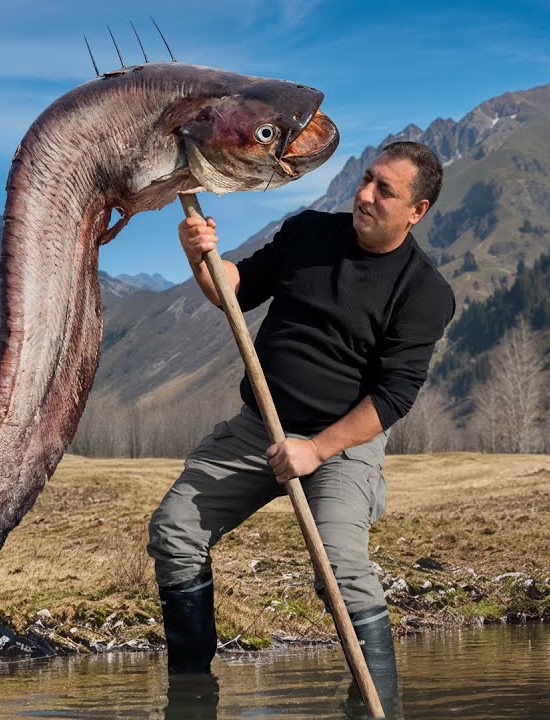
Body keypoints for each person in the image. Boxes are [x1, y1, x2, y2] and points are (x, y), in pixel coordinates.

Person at [147, 141, 456, 702]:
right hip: (258, 428)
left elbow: (394, 395)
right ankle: (192, 698)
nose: (364, 195)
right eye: (367, 179)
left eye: (384, 190)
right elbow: (231, 293)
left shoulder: (425, 291)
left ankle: (373, 707)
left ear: (418, 210)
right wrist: (201, 256)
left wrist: (316, 449)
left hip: (342, 445)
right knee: (175, 530)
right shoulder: (307, 232)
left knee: (340, 565)